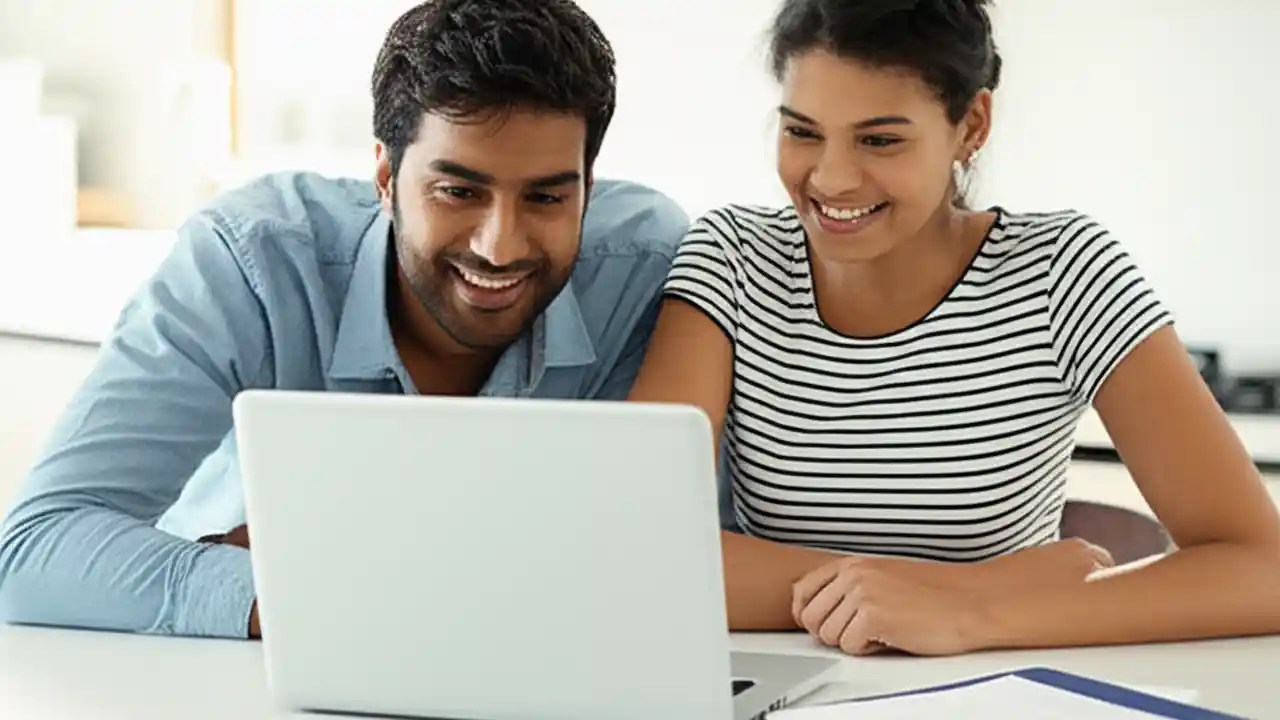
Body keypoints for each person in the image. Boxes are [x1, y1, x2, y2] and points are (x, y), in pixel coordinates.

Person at [0, 0, 687, 640]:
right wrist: (302, 597)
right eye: (458, 191)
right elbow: (36, 549)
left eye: (545, 197)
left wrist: (347, 571)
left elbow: (665, 548)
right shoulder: (250, 262)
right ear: (384, 177)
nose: (499, 246)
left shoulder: (643, 268)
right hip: (238, 665)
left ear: (587, 190)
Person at [628, 0, 1280, 656]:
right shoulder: (732, 258)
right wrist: (969, 587)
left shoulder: (1063, 272)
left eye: (879, 139)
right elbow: (632, 550)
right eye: (803, 132)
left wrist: (974, 616)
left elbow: (1262, 569)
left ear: (971, 125)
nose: (830, 177)